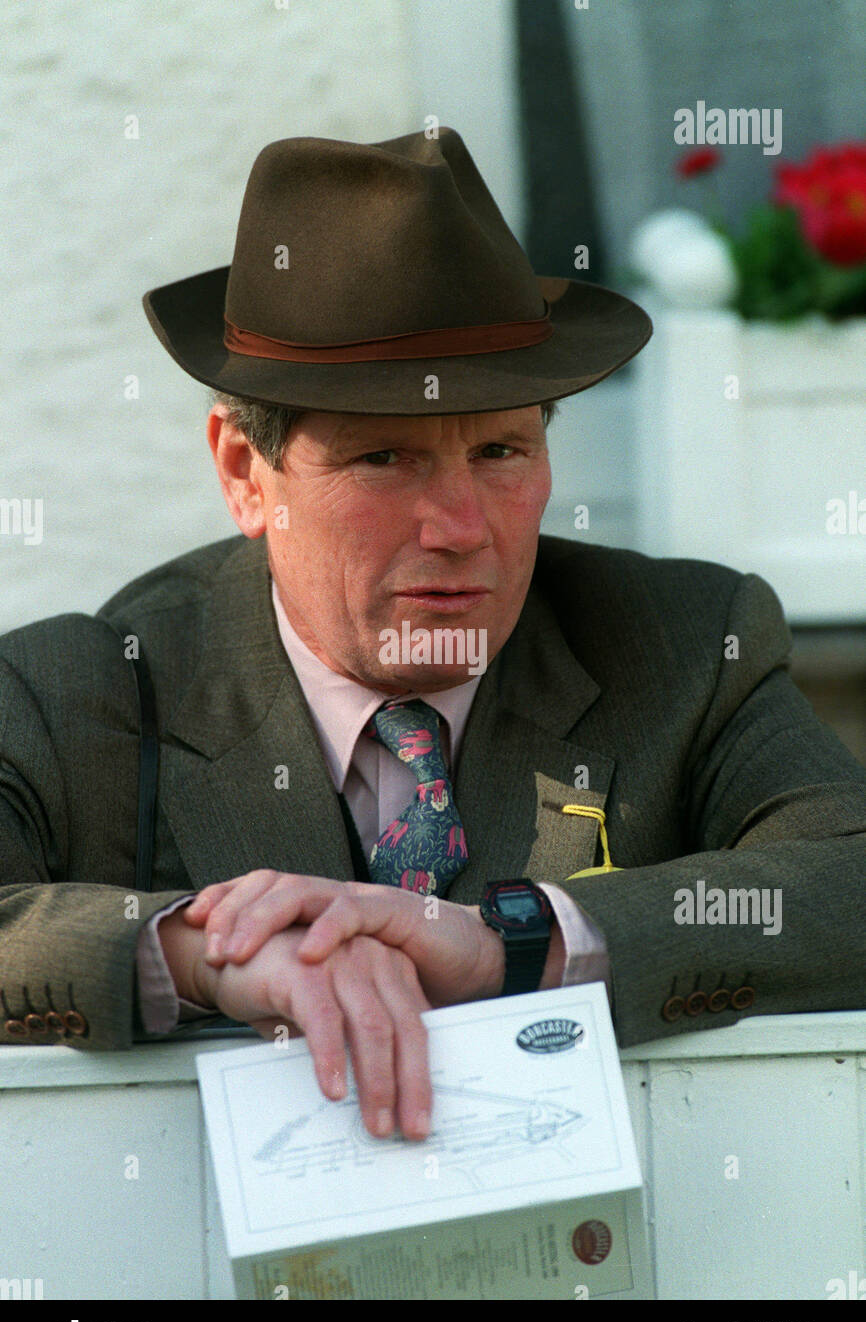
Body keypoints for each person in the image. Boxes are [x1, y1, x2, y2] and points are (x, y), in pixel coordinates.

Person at [1, 129, 864, 1144]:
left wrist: (518, 940)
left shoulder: (678, 645)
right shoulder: (71, 693)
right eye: (383, 459)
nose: (459, 528)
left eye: (501, 448)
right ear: (244, 472)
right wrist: (204, 951)